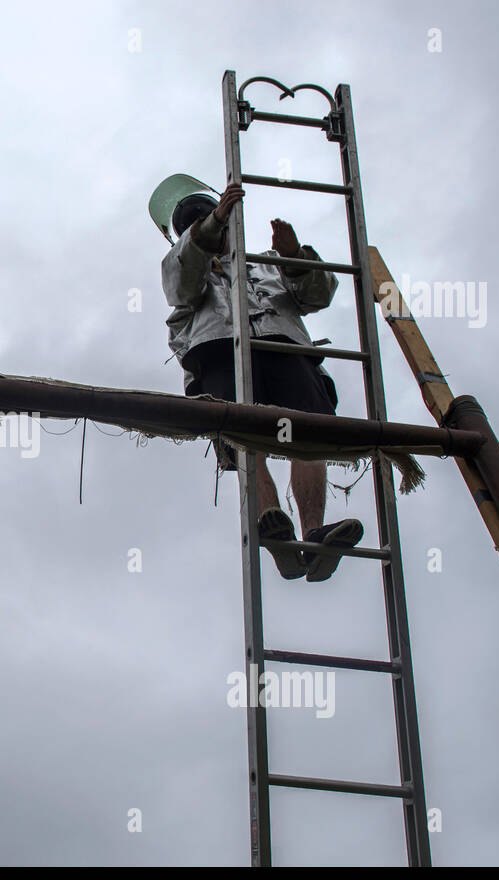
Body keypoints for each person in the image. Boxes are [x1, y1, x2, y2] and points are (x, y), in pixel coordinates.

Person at [149, 173, 363, 582]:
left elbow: (318, 294)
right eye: (201, 222)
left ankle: (314, 530)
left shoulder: (266, 262)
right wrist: (208, 226)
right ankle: (272, 524)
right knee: (245, 436)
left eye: (214, 218)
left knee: (307, 435)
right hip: (219, 349)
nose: (213, 226)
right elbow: (182, 285)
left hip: (284, 345)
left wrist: (295, 256)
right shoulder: (185, 268)